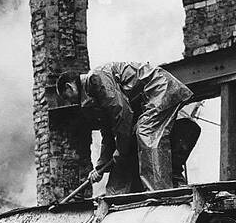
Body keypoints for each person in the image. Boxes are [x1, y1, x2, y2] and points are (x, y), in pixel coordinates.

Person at [56, 61, 194, 194]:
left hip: (158, 89)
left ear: (69, 87)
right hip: (147, 101)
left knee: (146, 132)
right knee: (135, 140)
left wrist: (121, 151)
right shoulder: (93, 98)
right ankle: (174, 185)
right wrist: (100, 167)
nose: (71, 102)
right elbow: (108, 132)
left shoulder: (96, 78)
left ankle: (158, 193)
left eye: (67, 97)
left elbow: (123, 114)